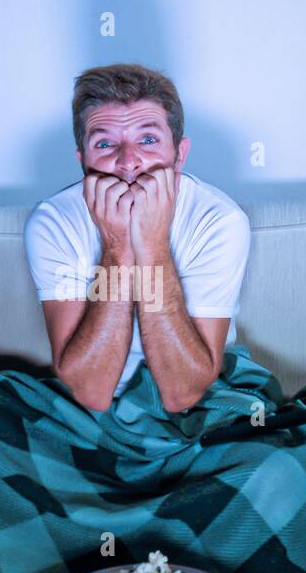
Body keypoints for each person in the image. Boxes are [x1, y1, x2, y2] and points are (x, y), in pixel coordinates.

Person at [23, 63, 251, 413]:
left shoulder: (218, 219)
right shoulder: (55, 221)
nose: (128, 162)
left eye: (148, 140)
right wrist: (118, 245)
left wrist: (154, 244)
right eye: (105, 143)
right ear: (82, 160)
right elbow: (90, 392)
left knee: (274, 467)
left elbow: (182, 394)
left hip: (201, 406)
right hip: (91, 414)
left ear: (180, 153)